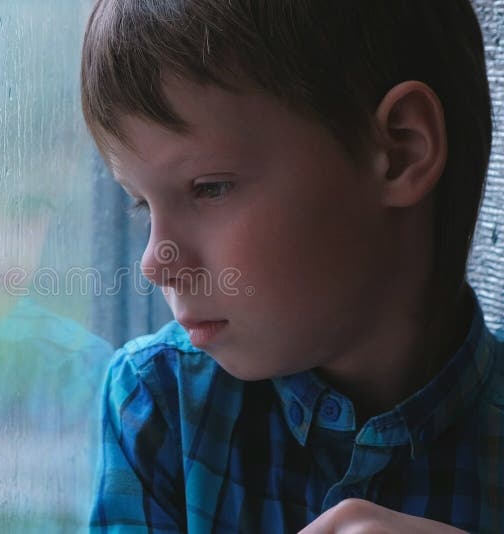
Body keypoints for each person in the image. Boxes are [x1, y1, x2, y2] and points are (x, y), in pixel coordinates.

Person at [80, 0, 503, 532]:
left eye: (210, 187)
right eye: (143, 204)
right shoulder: (159, 405)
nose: (153, 262)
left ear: (400, 151)